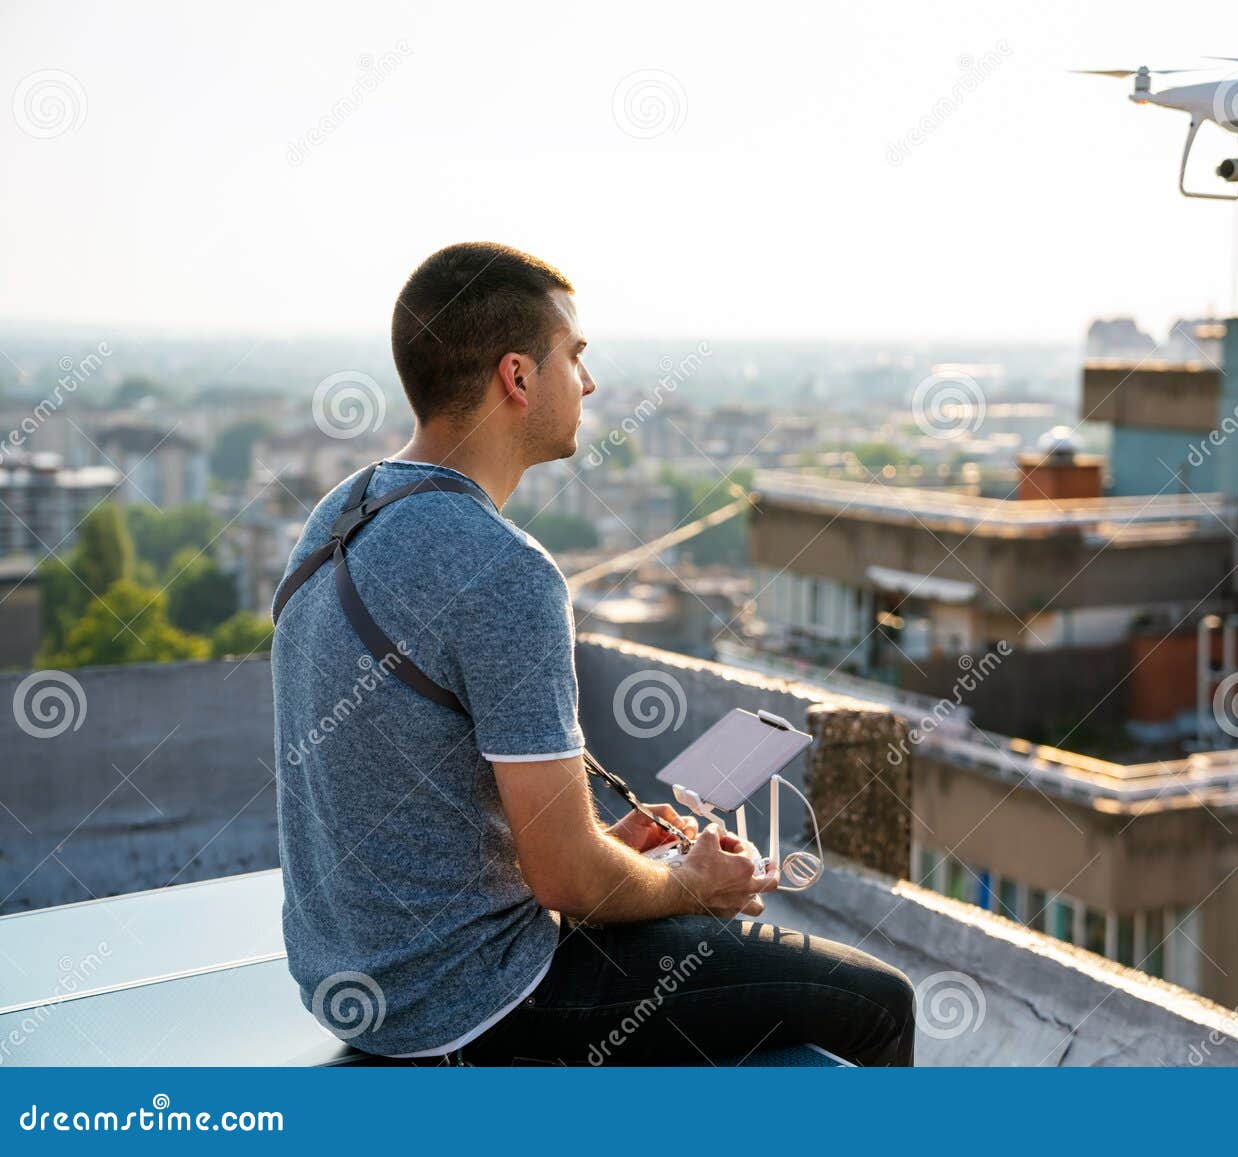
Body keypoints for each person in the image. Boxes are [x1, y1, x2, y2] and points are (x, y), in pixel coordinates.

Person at [271, 241, 915, 1066]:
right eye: (575, 356)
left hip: (350, 985)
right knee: (880, 1003)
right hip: (472, 1004)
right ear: (517, 377)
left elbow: (425, 784)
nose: (590, 381)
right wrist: (691, 885)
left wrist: (615, 852)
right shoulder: (502, 568)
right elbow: (565, 880)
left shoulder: (339, 512)